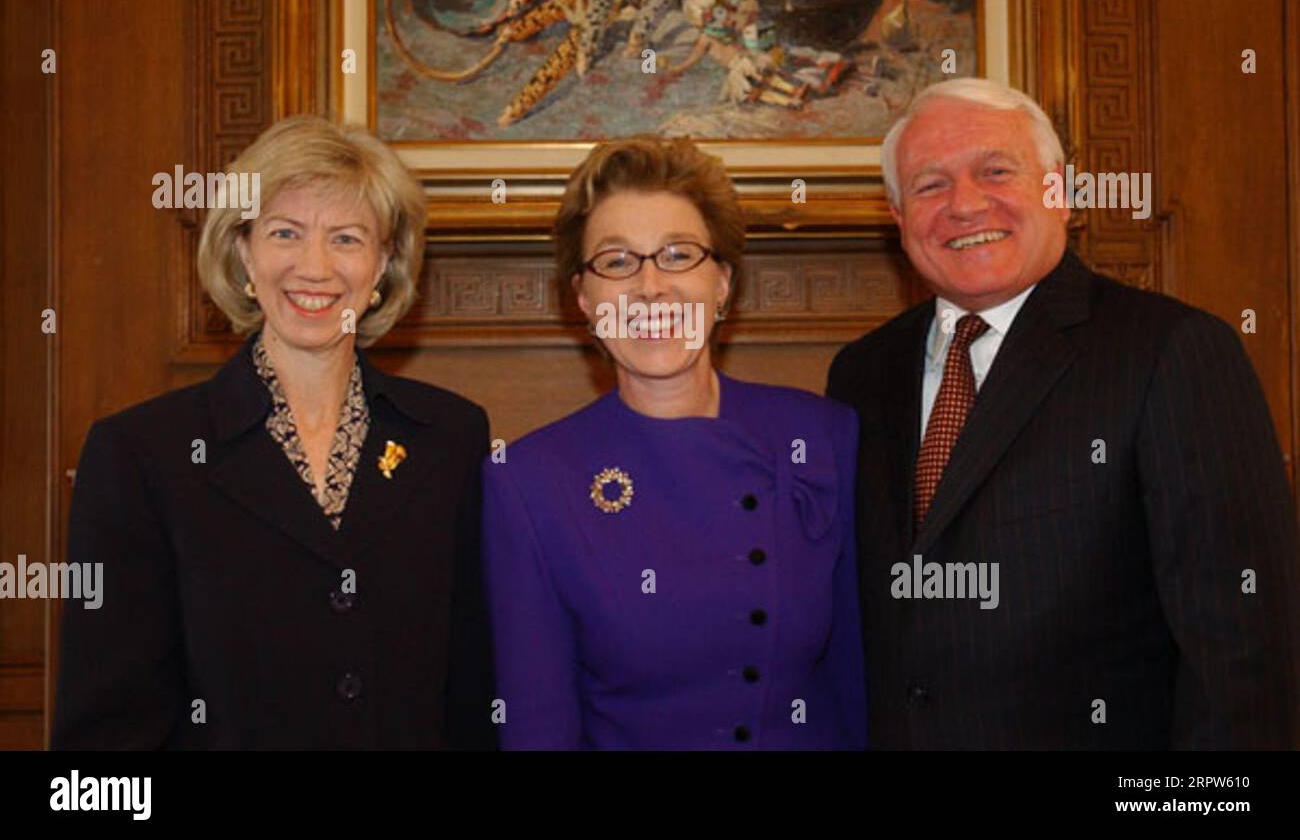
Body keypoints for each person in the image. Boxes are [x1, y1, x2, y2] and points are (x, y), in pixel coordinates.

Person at [827, 77, 1300, 749]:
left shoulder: (1171, 351)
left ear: (1062, 192)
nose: (965, 204)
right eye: (930, 185)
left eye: (996, 171)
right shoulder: (861, 372)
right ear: (898, 218)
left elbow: (1244, 646)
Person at [53, 116, 495, 749]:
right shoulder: (141, 456)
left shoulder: (451, 437)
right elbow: (102, 742)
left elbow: (471, 692)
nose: (313, 267)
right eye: (285, 232)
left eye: (346, 238)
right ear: (243, 253)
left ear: (384, 265)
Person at [482, 136, 866, 749]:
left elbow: (857, 685)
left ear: (723, 284)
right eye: (616, 261)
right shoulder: (528, 481)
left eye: (678, 254)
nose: (651, 287)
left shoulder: (823, 436)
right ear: (582, 299)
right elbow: (537, 725)